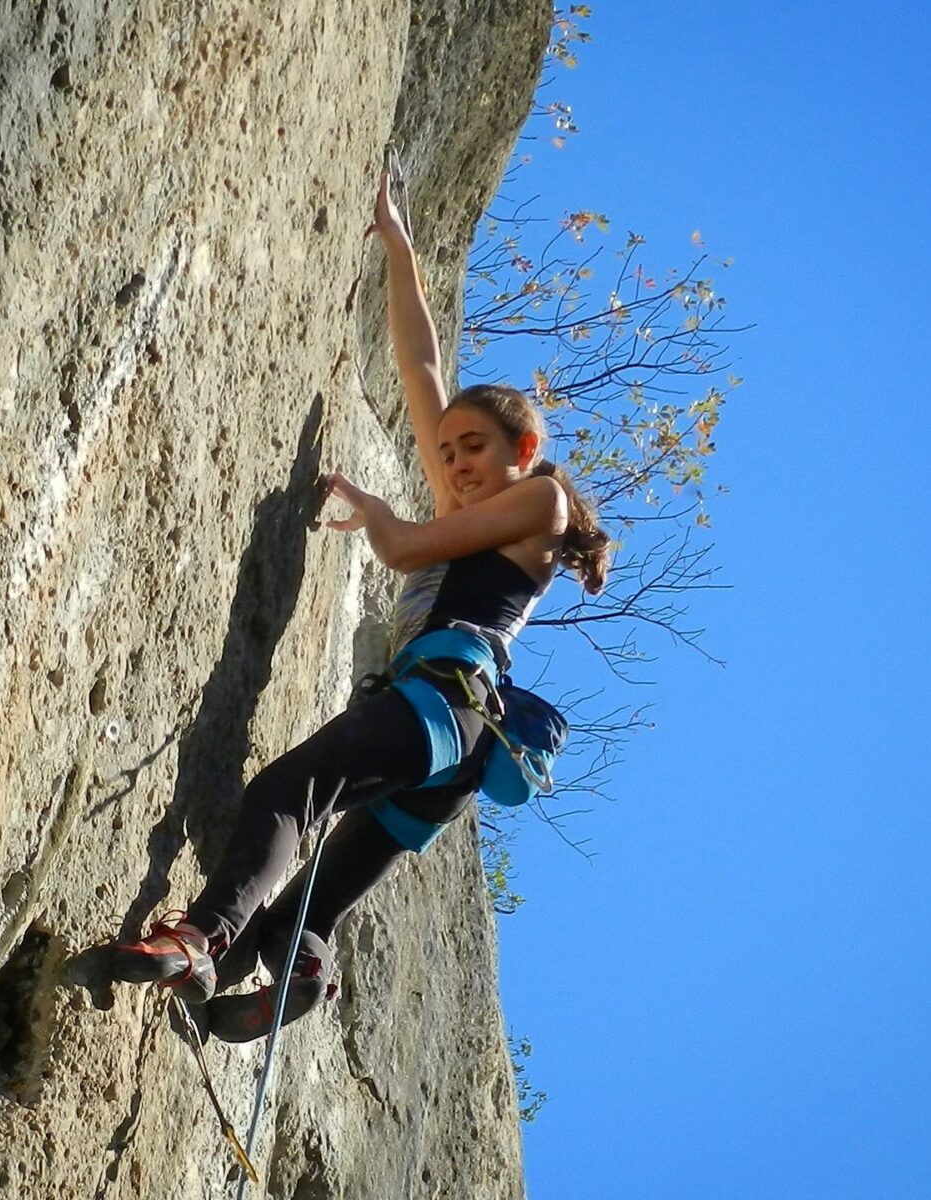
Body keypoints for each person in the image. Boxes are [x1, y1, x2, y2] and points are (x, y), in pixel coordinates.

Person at [103, 175, 609, 1040]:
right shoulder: (469, 508)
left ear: (525, 450)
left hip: (445, 707)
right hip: (447, 750)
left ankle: (197, 941)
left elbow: (407, 549)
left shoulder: (541, 509)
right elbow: (420, 366)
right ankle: (300, 971)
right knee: (304, 908)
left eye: (474, 448)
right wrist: (402, 253)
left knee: (286, 793)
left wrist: (379, 514)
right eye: (446, 452)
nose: (454, 464)